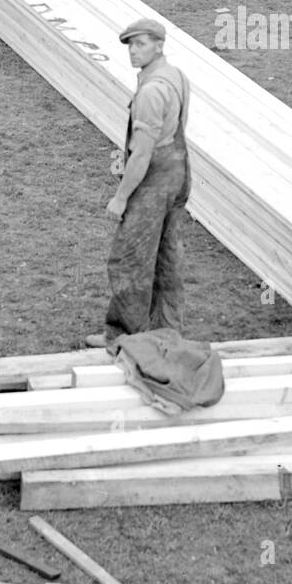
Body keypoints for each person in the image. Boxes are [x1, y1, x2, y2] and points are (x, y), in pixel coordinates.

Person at [84, 17, 192, 345]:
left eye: (141, 44)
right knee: (166, 255)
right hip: (179, 171)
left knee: (130, 258)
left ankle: (125, 336)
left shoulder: (152, 90)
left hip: (154, 178)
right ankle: (166, 330)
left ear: (159, 45)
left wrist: (120, 198)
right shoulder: (176, 77)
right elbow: (179, 128)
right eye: (131, 45)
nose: (133, 51)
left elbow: (141, 155)